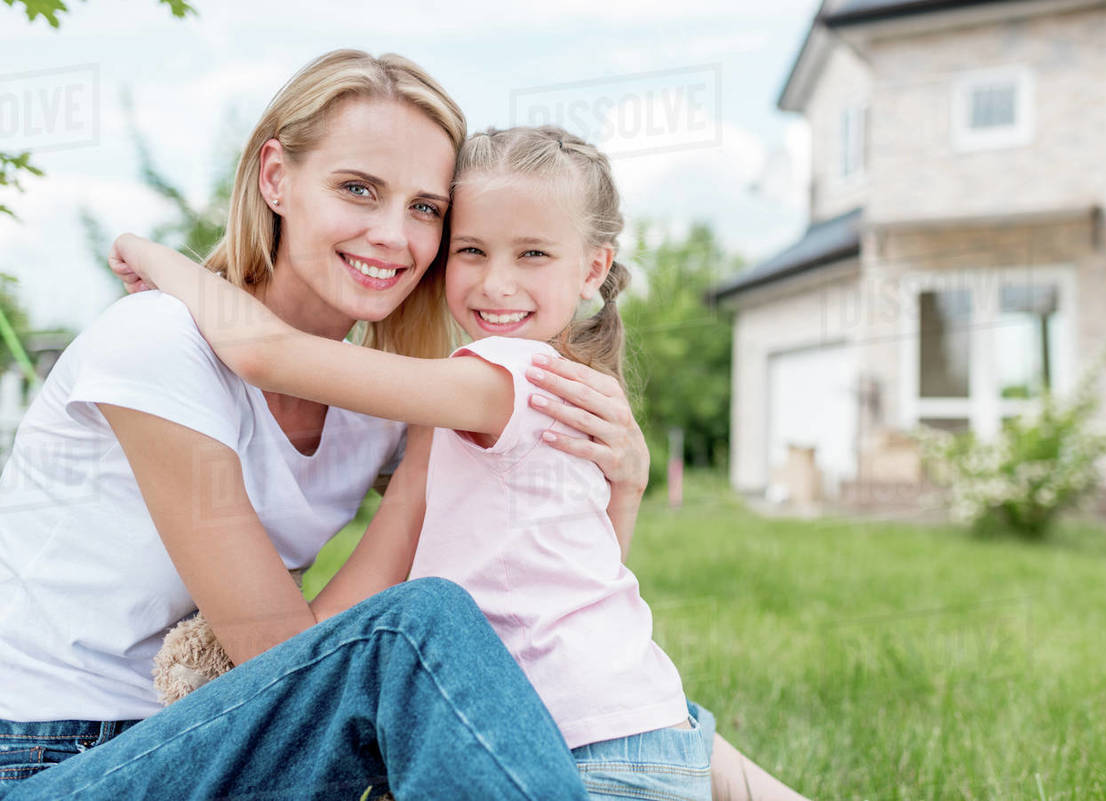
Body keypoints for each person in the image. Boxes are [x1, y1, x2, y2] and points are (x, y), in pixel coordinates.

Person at [0, 51, 647, 799]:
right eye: (358, 189)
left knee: (525, 676)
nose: (393, 235)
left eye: (426, 208)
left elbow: (553, 608)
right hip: (46, 762)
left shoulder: (373, 402)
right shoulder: (154, 344)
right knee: (415, 630)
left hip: (205, 745)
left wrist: (625, 478)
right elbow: (282, 661)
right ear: (275, 177)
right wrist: (424, 470)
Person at [108, 126, 812, 801]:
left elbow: (269, 353)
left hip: (581, 751)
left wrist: (161, 259)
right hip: (639, 734)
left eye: (532, 254)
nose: (495, 284)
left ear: (592, 266)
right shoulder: (561, 388)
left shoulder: (499, 373)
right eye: (471, 251)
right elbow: (585, 568)